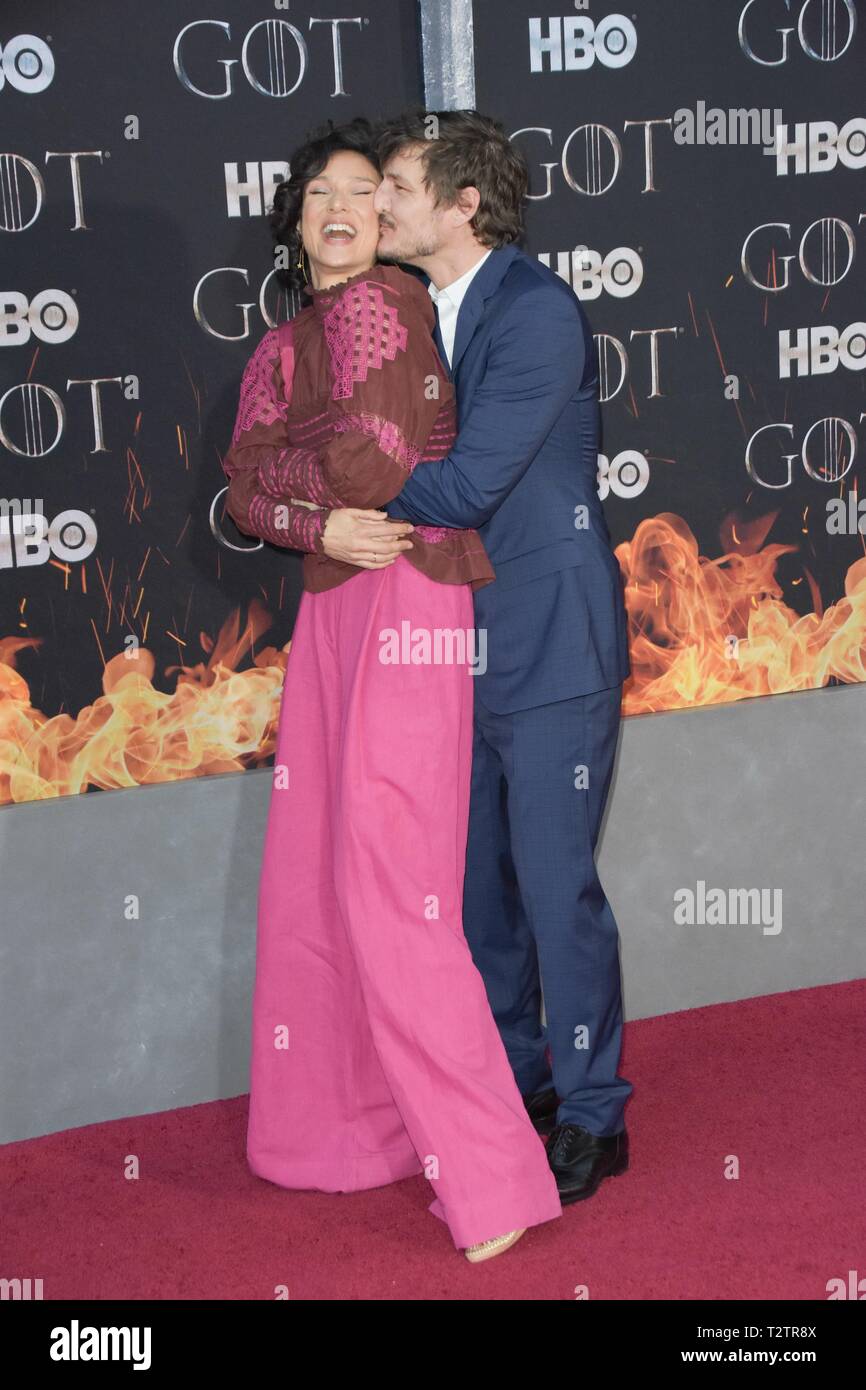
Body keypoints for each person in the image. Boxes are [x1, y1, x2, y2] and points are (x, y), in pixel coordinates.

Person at [220, 117, 562, 1262]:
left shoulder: (385, 305)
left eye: (364, 192)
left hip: (409, 591)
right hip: (333, 597)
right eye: (318, 188)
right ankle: (342, 1136)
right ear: (296, 214)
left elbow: (371, 455)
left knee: (392, 878)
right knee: (313, 878)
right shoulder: (280, 339)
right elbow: (240, 494)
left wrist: (294, 472)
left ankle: (493, 1177)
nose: (339, 204)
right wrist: (309, 510)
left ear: (386, 225)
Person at [340, 108, 633, 1205]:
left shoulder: (535, 313)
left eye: (401, 183)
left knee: (555, 888)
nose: (380, 202)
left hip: (550, 640)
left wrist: (327, 492)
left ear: (465, 204)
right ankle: (523, 1085)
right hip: (448, 647)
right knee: (478, 893)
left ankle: (597, 1115)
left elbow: (464, 490)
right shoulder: (413, 309)